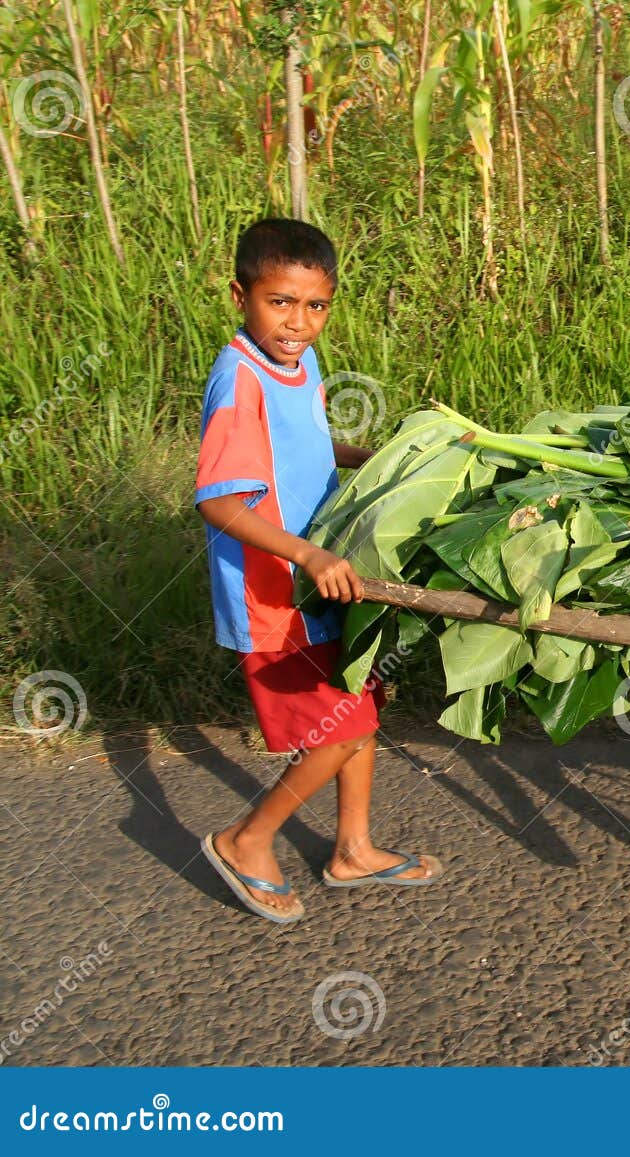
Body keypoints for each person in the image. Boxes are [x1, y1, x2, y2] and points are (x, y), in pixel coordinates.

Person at [194, 217, 442, 924]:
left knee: (360, 706)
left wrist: (367, 457)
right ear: (240, 294)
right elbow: (218, 500)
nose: (298, 321)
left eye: (315, 305)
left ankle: (353, 848)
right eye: (280, 302)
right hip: (277, 592)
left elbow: (300, 443)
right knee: (339, 725)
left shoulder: (299, 363)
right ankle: (247, 839)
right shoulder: (238, 377)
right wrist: (305, 553)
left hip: (325, 575)